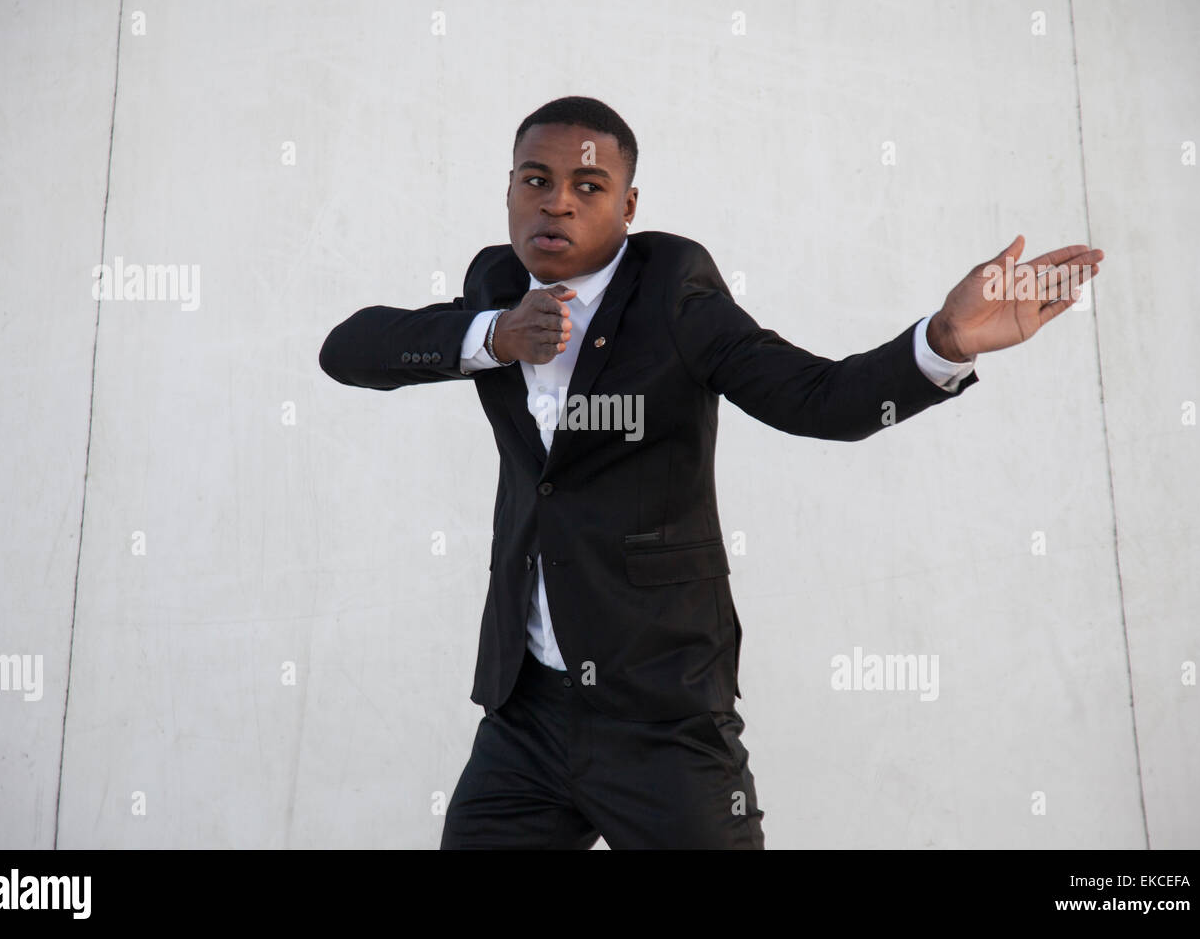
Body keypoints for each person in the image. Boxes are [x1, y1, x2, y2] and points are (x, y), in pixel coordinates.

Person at [318, 96, 1103, 848]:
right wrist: (495, 336)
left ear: (628, 208)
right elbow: (349, 350)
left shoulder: (674, 292)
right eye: (536, 180)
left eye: (587, 187)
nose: (556, 204)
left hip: (660, 720)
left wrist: (944, 341)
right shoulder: (496, 287)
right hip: (525, 718)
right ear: (511, 189)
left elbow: (820, 401)